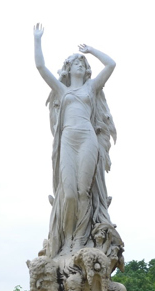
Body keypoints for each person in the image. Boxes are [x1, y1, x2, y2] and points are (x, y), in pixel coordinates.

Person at [34, 23, 116, 259]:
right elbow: (40, 67)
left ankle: (80, 239)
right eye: (75, 63)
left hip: (87, 138)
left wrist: (91, 50)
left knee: (83, 192)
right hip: (68, 139)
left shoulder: (91, 87)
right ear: (68, 70)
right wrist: (37, 39)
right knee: (68, 193)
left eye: (82, 63)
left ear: (86, 70)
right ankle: (66, 239)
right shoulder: (61, 90)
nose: (79, 65)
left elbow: (111, 64)